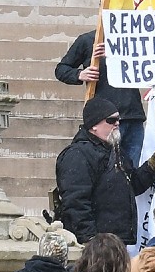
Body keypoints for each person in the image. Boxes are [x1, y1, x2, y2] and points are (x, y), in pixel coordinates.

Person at [53, 96, 149, 245]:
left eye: (118, 119)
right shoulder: (78, 154)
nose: (117, 124)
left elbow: (132, 186)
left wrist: (151, 167)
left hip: (116, 240)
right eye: (111, 120)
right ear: (94, 125)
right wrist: (90, 239)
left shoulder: (116, 151)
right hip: (97, 244)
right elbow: (76, 201)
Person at [53, 29, 147, 168]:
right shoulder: (87, 39)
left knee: (132, 172)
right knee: (106, 169)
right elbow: (61, 69)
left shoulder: (134, 39)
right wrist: (79, 74)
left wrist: (116, 55)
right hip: (104, 119)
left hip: (133, 117)